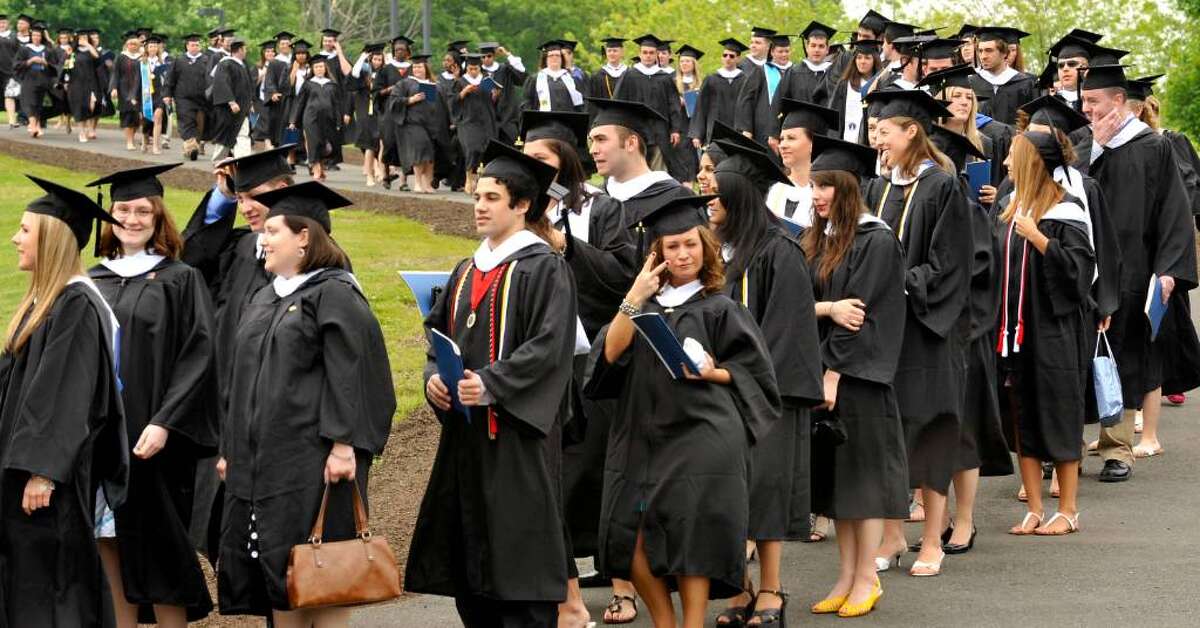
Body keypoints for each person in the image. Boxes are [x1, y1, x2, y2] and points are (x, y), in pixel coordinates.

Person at [585, 193, 780, 628]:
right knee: (630, 538)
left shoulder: (721, 307)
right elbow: (608, 357)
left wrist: (714, 371)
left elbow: (758, 375)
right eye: (672, 246)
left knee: (692, 537)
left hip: (702, 433)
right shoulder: (642, 307)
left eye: (691, 244)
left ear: (705, 247)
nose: (682, 254)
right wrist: (634, 296)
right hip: (640, 435)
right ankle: (665, 622)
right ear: (657, 253)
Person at [406, 140, 577, 627]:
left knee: (519, 565)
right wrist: (434, 381)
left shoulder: (545, 268)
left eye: (492, 198)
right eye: (477, 196)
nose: (479, 206)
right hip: (467, 440)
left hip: (517, 438)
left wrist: (490, 385)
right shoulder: (466, 270)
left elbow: (549, 348)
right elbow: (436, 339)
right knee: (472, 569)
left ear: (522, 205)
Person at [217, 181, 393, 625]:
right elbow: (241, 379)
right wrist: (230, 449)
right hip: (265, 462)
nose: (263, 240)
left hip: (315, 463)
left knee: (324, 574)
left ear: (304, 237)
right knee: (279, 573)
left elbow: (352, 373)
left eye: (272, 230)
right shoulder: (265, 296)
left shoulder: (334, 294)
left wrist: (344, 445)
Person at [520, 109, 638, 627]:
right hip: (548, 364)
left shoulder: (603, 207)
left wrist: (569, 246)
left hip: (598, 361)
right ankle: (562, 586)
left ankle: (623, 584)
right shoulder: (520, 209)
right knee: (555, 477)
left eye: (540, 157)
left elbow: (624, 276)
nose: (531, 166)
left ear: (564, 160)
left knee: (605, 474)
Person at [85, 164, 218, 627]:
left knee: (161, 550)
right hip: (102, 438)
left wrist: (165, 421)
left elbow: (199, 355)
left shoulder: (181, 279)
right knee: (108, 543)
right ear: (109, 217)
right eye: (123, 210)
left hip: (155, 439)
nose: (132, 219)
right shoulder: (92, 279)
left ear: (159, 216)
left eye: (143, 210)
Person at [0, 175, 129, 626]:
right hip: (20, 476)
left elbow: (66, 394)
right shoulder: (47, 301)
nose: (15, 238)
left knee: (50, 589)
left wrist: (43, 472)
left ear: (51, 239)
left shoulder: (76, 305)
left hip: (45, 485)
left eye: (25, 230)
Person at [707, 140, 824, 625]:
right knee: (730, 496)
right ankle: (741, 588)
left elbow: (787, 332)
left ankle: (772, 588)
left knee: (767, 493)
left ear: (739, 197)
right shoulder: (720, 250)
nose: (708, 201)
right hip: (721, 392)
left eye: (717, 193)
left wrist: (744, 381)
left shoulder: (779, 251)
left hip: (768, 397)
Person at [863, 88, 971, 577]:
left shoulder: (942, 187)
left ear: (912, 131)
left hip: (927, 329)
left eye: (885, 131)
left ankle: (931, 540)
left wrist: (900, 285)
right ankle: (892, 535)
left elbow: (951, 264)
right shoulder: (878, 188)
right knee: (889, 432)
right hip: (884, 330)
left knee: (929, 430)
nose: (878, 139)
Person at [802, 133, 908, 618]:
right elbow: (804, 303)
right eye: (813, 186)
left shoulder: (876, 240)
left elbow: (859, 316)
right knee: (838, 487)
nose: (817, 195)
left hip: (859, 379)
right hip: (825, 373)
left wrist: (834, 374)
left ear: (848, 187)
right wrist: (824, 309)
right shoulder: (820, 239)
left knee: (862, 486)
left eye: (825, 185)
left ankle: (868, 578)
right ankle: (846, 576)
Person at [1080, 64, 1196, 480]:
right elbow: (1063, 190)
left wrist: (1168, 271)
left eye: (1093, 101)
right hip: (1082, 266)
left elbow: (1174, 212)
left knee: (1125, 353)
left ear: (1118, 100)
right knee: (1073, 355)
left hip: (1133, 268)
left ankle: (1118, 449)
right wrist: (1094, 149)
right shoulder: (1081, 144)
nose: (1086, 108)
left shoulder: (1154, 146)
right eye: (1083, 101)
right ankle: (1064, 451)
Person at [179, 146, 295, 556]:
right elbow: (191, 261)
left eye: (255, 196)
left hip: (279, 421)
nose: (246, 208)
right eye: (241, 198)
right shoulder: (242, 249)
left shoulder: (312, 259)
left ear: (284, 189)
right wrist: (222, 196)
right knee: (223, 535)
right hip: (225, 412)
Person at [995, 132, 1096, 535]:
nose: (1006, 163)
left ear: (1033, 161)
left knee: (1059, 413)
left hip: (1054, 330)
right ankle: (1034, 509)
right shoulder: (1009, 206)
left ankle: (1068, 510)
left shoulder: (1067, 210)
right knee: (1023, 416)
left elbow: (1080, 274)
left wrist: (1039, 238)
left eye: (1013, 156)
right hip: (1013, 332)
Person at [587, 98, 693, 250]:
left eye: (601, 139)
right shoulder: (594, 199)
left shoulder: (675, 198)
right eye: (592, 141)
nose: (593, 150)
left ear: (631, 143)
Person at [613, 35, 685, 176]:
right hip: (635, 130)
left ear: (656, 54)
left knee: (658, 173)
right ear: (639, 54)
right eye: (645, 52)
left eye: (651, 53)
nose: (648, 56)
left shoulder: (664, 78)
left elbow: (673, 105)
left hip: (660, 132)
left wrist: (675, 129)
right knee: (636, 171)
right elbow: (618, 103)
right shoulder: (629, 75)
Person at [765, 98, 840, 228]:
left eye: (791, 138)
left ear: (813, 144)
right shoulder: (777, 190)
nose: (782, 145)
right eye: (782, 139)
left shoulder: (827, 196)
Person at [289, 56, 344, 181]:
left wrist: (339, 120)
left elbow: (337, 104)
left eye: (321, 67)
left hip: (329, 119)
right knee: (314, 143)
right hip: (311, 118)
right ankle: (316, 170)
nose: (319, 69)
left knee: (326, 145)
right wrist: (293, 121)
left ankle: (321, 168)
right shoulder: (308, 84)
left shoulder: (332, 84)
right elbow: (299, 103)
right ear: (313, 69)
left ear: (325, 68)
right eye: (316, 67)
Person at [736, 33, 792, 150]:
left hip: (789, 127)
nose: (784, 54)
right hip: (763, 129)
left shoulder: (795, 71)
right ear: (772, 52)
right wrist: (747, 129)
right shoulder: (761, 71)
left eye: (787, 51)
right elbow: (746, 100)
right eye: (780, 51)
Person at [453, 53, 500, 194]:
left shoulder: (486, 80)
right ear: (466, 68)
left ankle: (479, 180)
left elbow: (492, 101)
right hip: (468, 121)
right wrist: (464, 92)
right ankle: (468, 178)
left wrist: (495, 95)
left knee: (484, 150)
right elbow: (452, 101)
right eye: (470, 69)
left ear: (480, 68)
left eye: (476, 69)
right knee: (472, 148)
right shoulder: (460, 82)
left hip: (485, 121)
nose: (473, 71)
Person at [688, 38, 747, 147]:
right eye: (725, 55)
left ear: (738, 58)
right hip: (714, 130)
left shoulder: (745, 80)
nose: (727, 58)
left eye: (731, 56)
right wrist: (697, 134)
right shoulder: (711, 79)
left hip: (737, 131)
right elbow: (701, 107)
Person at [973, 27, 1037, 126]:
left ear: (1005, 53)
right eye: (980, 51)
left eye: (989, 50)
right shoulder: (971, 82)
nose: (983, 56)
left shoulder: (1025, 83)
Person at [775, 21, 838, 112]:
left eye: (821, 46)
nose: (817, 50)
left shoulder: (835, 74)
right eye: (813, 45)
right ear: (807, 47)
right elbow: (778, 105)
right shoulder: (793, 73)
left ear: (827, 49)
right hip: (799, 121)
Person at [827, 39, 881, 144]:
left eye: (867, 58)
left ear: (874, 60)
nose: (862, 61)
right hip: (846, 141)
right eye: (859, 57)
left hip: (871, 142)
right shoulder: (844, 84)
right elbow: (834, 116)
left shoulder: (880, 84)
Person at [209, 38, 254, 161]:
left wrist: (250, 103)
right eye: (244, 49)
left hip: (242, 109)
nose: (246, 52)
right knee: (225, 136)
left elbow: (247, 87)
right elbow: (222, 83)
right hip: (228, 110)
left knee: (243, 135)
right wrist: (231, 102)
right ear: (239, 50)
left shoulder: (243, 65)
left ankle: (243, 162)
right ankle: (218, 161)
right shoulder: (225, 64)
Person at [164, 34, 207, 159]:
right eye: (192, 45)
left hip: (202, 99)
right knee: (186, 120)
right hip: (183, 98)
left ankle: (192, 145)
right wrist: (167, 94)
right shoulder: (179, 60)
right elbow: (170, 78)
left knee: (200, 123)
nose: (195, 47)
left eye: (197, 45)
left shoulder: (206, 60)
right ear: (187, 46)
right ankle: (191, 147)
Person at [350, 44, 385, 186]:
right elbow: (354, 73)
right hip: (366, 110)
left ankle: (382, 170)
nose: (377, 62)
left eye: (380, 59)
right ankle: (370, 173)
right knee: (370, 143)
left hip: (380, 111)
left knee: (382, 142)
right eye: (375, 59)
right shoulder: (364, 73)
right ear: (370, 60)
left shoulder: (384, 73)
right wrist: (362, 57)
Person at [477, 41, 526, 143]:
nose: (486, 59)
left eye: (489, 56)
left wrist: (507, 54)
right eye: (483, 57)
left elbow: (522, 76)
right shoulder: (477, 72)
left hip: (507, 117)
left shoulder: (504, 69)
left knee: (513, 145)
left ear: (494, 56)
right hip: (487, 120)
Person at [14, 23, 55, 139]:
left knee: (38, 104)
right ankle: (33, 126)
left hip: (42, 79)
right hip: (29, 79)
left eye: (38, 35)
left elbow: (54, 66)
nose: (36, 37)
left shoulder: (47, 50)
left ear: (41, 37)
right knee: (30, 102)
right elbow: (16, 65)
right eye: (34, 35)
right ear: (31, 36)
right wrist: (30, 61)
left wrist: (45, 63)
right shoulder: (24, 49)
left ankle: (36, 125)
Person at [525, 40, 586, 113]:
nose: (554, 58)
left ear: (562, 58)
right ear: (546, 59)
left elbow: (580, 105)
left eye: (557, 55)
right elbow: (528, 104)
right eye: (551, 56)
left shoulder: (572, 79)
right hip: (543, 119)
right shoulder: (535, 79)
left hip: (567, 119)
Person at [65, 29, 101, 143]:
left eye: (85, 37)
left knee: (90, 105)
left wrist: (88, 45)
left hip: (90, 82)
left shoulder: (90, 50)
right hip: (76, 83)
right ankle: (81, 132)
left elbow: (97, 56)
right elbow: (66, 66)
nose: (83, 39)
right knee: (80, 107)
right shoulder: (73, 50)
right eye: (81, 38)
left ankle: (86, 128)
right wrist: (65, 81)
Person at [139, 35, 169, 155]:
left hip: (160, 94)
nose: (153, 48)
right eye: (151, 46)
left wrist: (168, 95)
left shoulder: (162, 63)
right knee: (146, 120)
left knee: (158, 117)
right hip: (145, 95)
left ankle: (156, 146)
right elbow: (136, 81)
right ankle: (144, 140)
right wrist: (134, 96)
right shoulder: (141, 63)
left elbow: (167, 81)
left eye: (155, 46)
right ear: (147, 48)